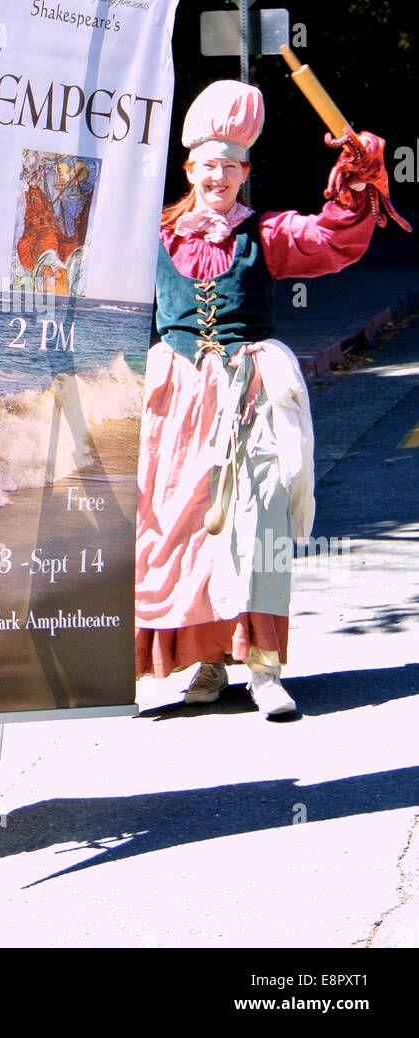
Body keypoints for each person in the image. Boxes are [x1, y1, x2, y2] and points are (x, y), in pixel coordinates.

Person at [134, 80, 390, 717]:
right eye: (207, 165)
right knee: (184, 527)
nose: (218, 175)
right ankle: (208, 663)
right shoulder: (155, 237)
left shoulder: (265, 233)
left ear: (245, 172)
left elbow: (332, 240)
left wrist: (357, 185)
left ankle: (264, 667)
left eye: (231, 166)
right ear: (188, 168)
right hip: (177, 398)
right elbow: (72, 266)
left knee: (258, 523)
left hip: (252, 393)